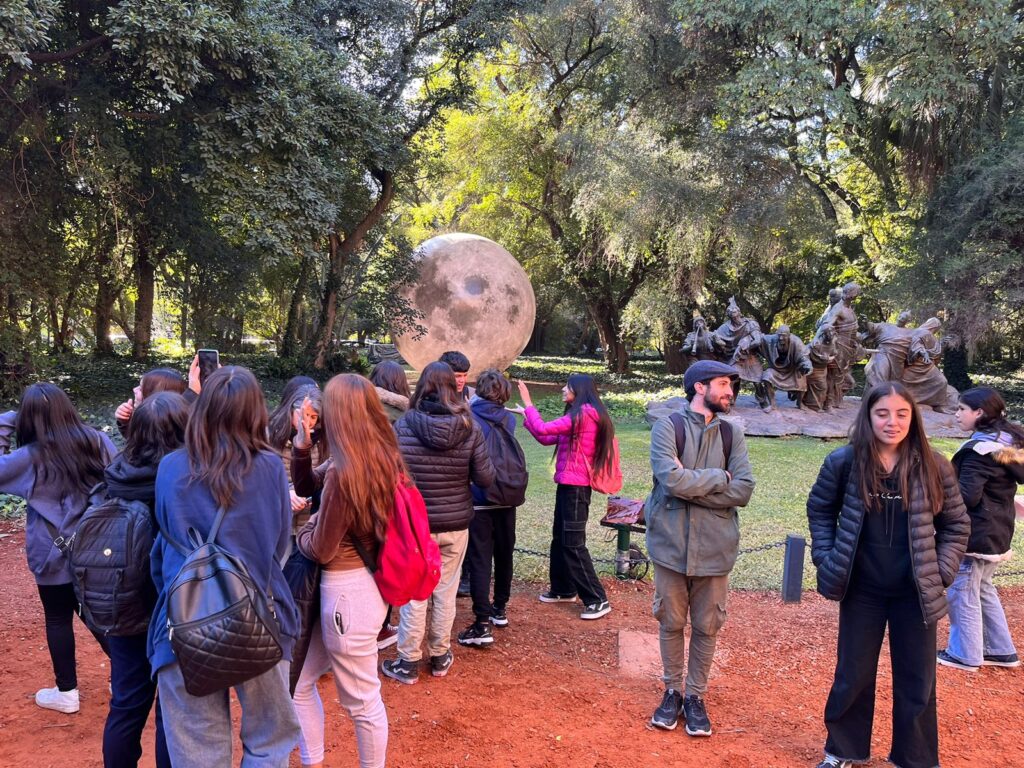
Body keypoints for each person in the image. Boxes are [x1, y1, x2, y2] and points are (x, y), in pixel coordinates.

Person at [807, 381, 969, 768]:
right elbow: (820, 510)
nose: (892, 422)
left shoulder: (935, 464)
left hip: (915, 592)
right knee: (853, 673)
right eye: (882, 413)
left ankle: (914, 758)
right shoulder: (844, 462)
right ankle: (843, 751)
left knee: (918, 680)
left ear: (913, 418)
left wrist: (942, 571)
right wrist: (827, 558)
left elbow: (957, 525)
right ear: (868, 415)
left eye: (901, 414)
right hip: (862, 589)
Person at [148, 366, 301, 767]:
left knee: (196, 748)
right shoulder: (268, 467)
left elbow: (162, 544)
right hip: (258, 617)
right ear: (256, 412)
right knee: (269, 740)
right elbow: (279, 543)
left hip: (184, 622)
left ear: (201, 409)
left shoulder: (170, 468)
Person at [290, 375, 400, 768]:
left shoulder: (345, 470)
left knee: (362, 700)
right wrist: (302, 442)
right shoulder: (376, 453)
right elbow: (308, 486)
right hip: (360, 590)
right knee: (300, 681)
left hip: (345, 593)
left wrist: (303, 535)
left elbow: (322, 548)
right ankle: (312, 760)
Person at [645, 360, 755, 736]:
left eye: (731, 385)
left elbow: (743, 490)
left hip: (715, 548)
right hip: (670, 545)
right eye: (724, 384)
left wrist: (692, 486)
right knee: (671, 622)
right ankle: (672, 690)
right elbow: (670, 481)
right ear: (699, 387)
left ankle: (695, 696)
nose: (730, 392)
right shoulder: (667, 428)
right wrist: (717, 478)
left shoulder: (732, 435)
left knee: (707, 626)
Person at [0, 383, 116, 714]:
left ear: (29, 418)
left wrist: (8, 420)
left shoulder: (29, 458)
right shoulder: (97, 441)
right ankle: (126, 676)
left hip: (51, 553)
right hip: (99, 548)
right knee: (96, 614)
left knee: (58, 618)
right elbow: (119, 481)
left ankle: (67, 693)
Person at [382, 362, 495, 684]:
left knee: (416, 590)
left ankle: (407, 660)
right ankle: (440, 654)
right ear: (453, 387)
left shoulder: (403, 426)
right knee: (445, 589)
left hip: (415, 524)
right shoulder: (469, 427)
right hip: (456, 522)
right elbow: (485, 478)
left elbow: (389, 474)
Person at [102, 392, 188, 767]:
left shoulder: (116, 472)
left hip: (123, 606)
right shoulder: (181, 481)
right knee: (172, 709)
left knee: (126, 704)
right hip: (170, 611)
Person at [514, 373, 614, 620]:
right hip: (568, 485)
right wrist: (526, 416)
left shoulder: (584, 415)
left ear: (578, 391)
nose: (562, 390)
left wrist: (529, 404)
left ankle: (597, 599)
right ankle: (563, 589)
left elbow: (543, 427)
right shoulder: (577, 417)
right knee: (560, 538)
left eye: (566, 387)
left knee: (573, 543)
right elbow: (546, 437)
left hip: (577, 489)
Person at [940, 387, 1024, 670]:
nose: (957, 414)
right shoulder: (1007, 445)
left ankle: (965, 654)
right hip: (997, 532)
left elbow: (966, 497)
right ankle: (1000, 650)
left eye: (962, 409)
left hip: (974, 535)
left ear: (979, 413)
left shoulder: (978, 451)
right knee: (983, 588)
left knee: (962, 589)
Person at [458, 369, 522, 647]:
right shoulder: (508, 418)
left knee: (481, 558)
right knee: (504, 554)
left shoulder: (469, 418)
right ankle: (500, 609)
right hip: (508, 495)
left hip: (481, 496)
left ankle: (481, 622)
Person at [367, 360, 411, 649]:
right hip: (392, 493)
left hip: (362, 488)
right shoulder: (408, 414)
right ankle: (381, 626)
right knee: (387, 559)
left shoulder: (362, 406)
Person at [267, 375, 324, 522]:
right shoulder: (270, 434)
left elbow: (325, 479)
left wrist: (309, 494)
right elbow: (258, 480)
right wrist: (285, 493)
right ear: (290, 409)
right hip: (278, 520)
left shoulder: (324, 438)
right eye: (302, 414)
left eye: (313, 417)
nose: (307, 421)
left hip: (310, 523)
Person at [113, 368, 188, 437]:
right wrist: (125, 423)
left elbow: (141, 445)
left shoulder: (165, 434)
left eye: (141, 389)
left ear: (155, 396)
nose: (134, 389)